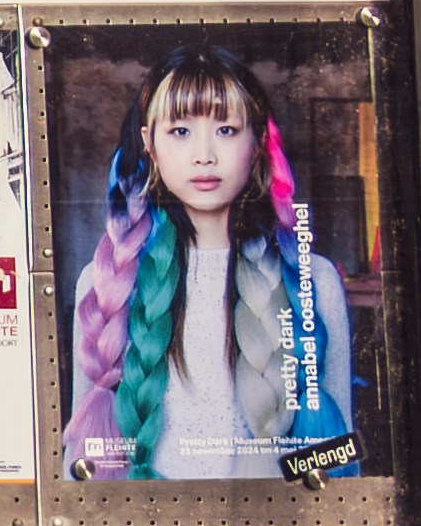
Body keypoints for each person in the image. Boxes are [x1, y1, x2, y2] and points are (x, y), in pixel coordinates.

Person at [61, 44, 358, 481]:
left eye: (226, 130)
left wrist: (271, 488)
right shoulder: (106, 283)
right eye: (180, 131)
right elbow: (82, 470)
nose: (204, 154)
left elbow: (335, 453)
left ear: (257, 142)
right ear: (150, 145)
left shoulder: (315, 280)